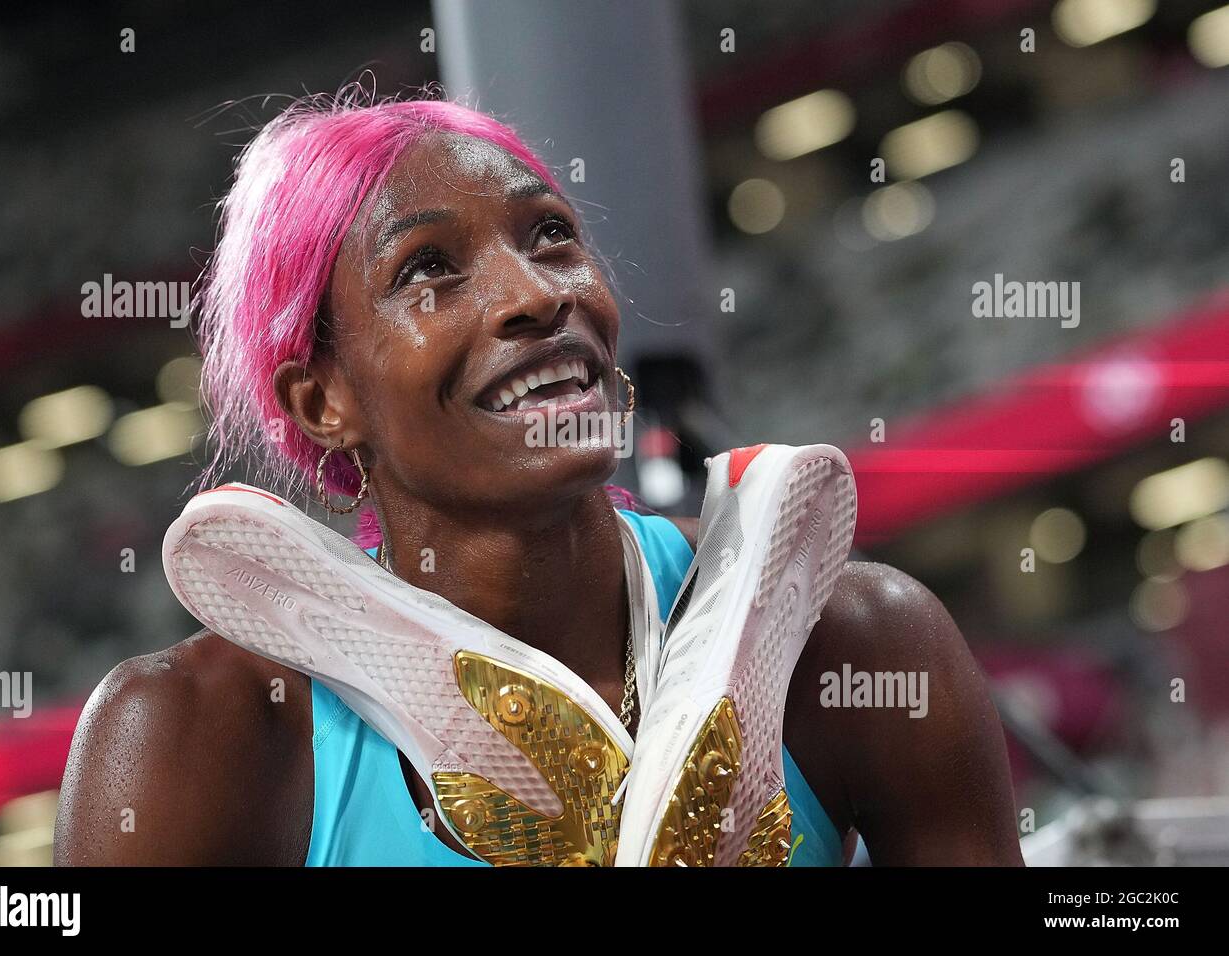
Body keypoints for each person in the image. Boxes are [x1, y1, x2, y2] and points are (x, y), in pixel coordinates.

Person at [54, 92, 1023, 866]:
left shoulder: (855, 642)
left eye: (551, 234)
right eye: (427, 269)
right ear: (320, 401)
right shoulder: (193, 736)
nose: (535, 295)